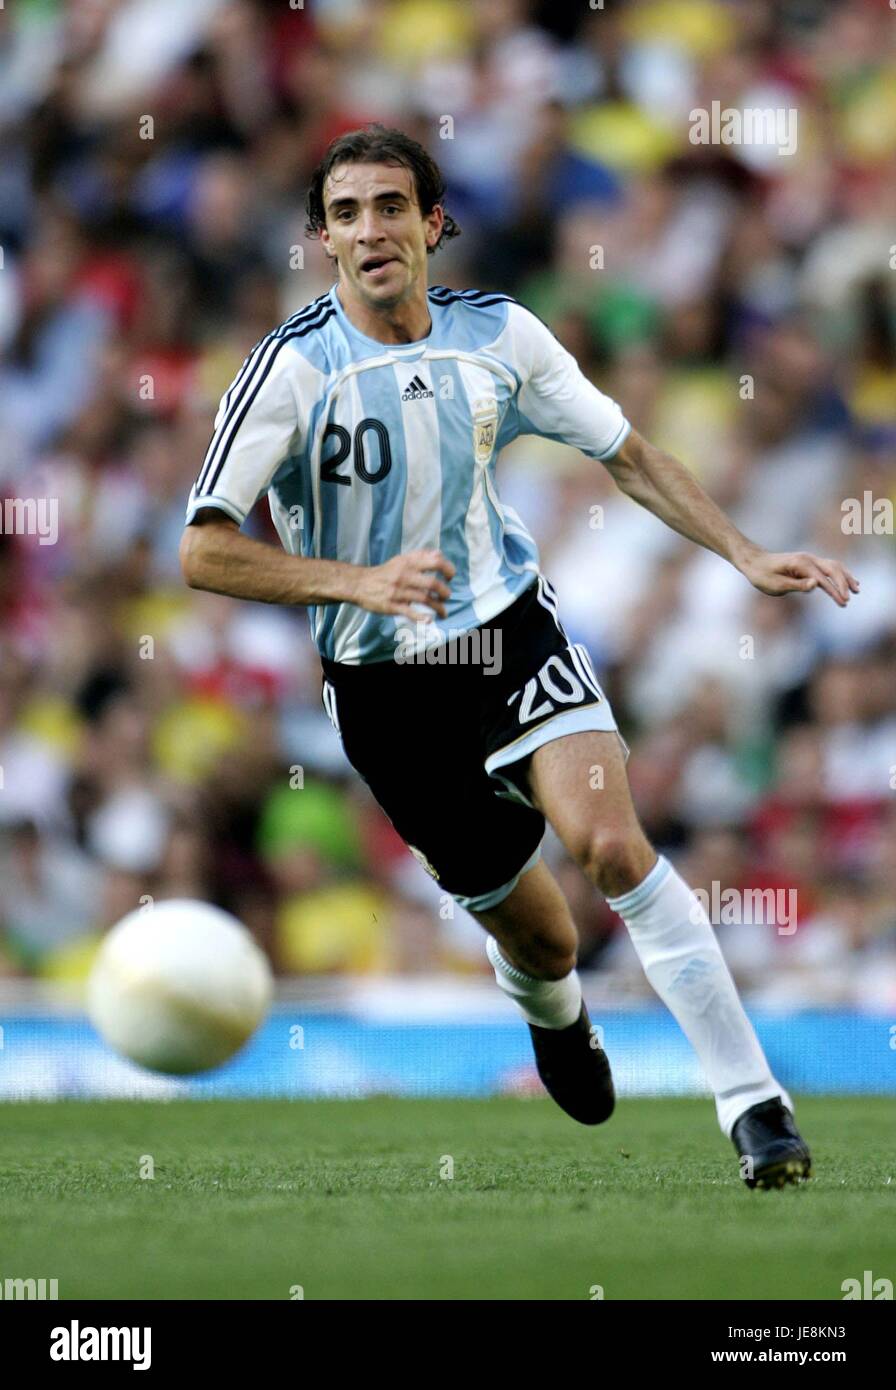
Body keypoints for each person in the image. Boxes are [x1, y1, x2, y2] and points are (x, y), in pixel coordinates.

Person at [180, 125, 859, 1188]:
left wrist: (744, 550)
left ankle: (754, 1105)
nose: (371, 229)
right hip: (383, 689)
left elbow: (625, 452)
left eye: (392, 205)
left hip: (506, 633)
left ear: (432, 224)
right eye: (346, 212)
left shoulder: (497, 334)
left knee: (611, 849)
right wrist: (355, 582)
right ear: (320, 237)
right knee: (540, 939)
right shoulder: (288, 371)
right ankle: (556, 1017)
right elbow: (202, 548)